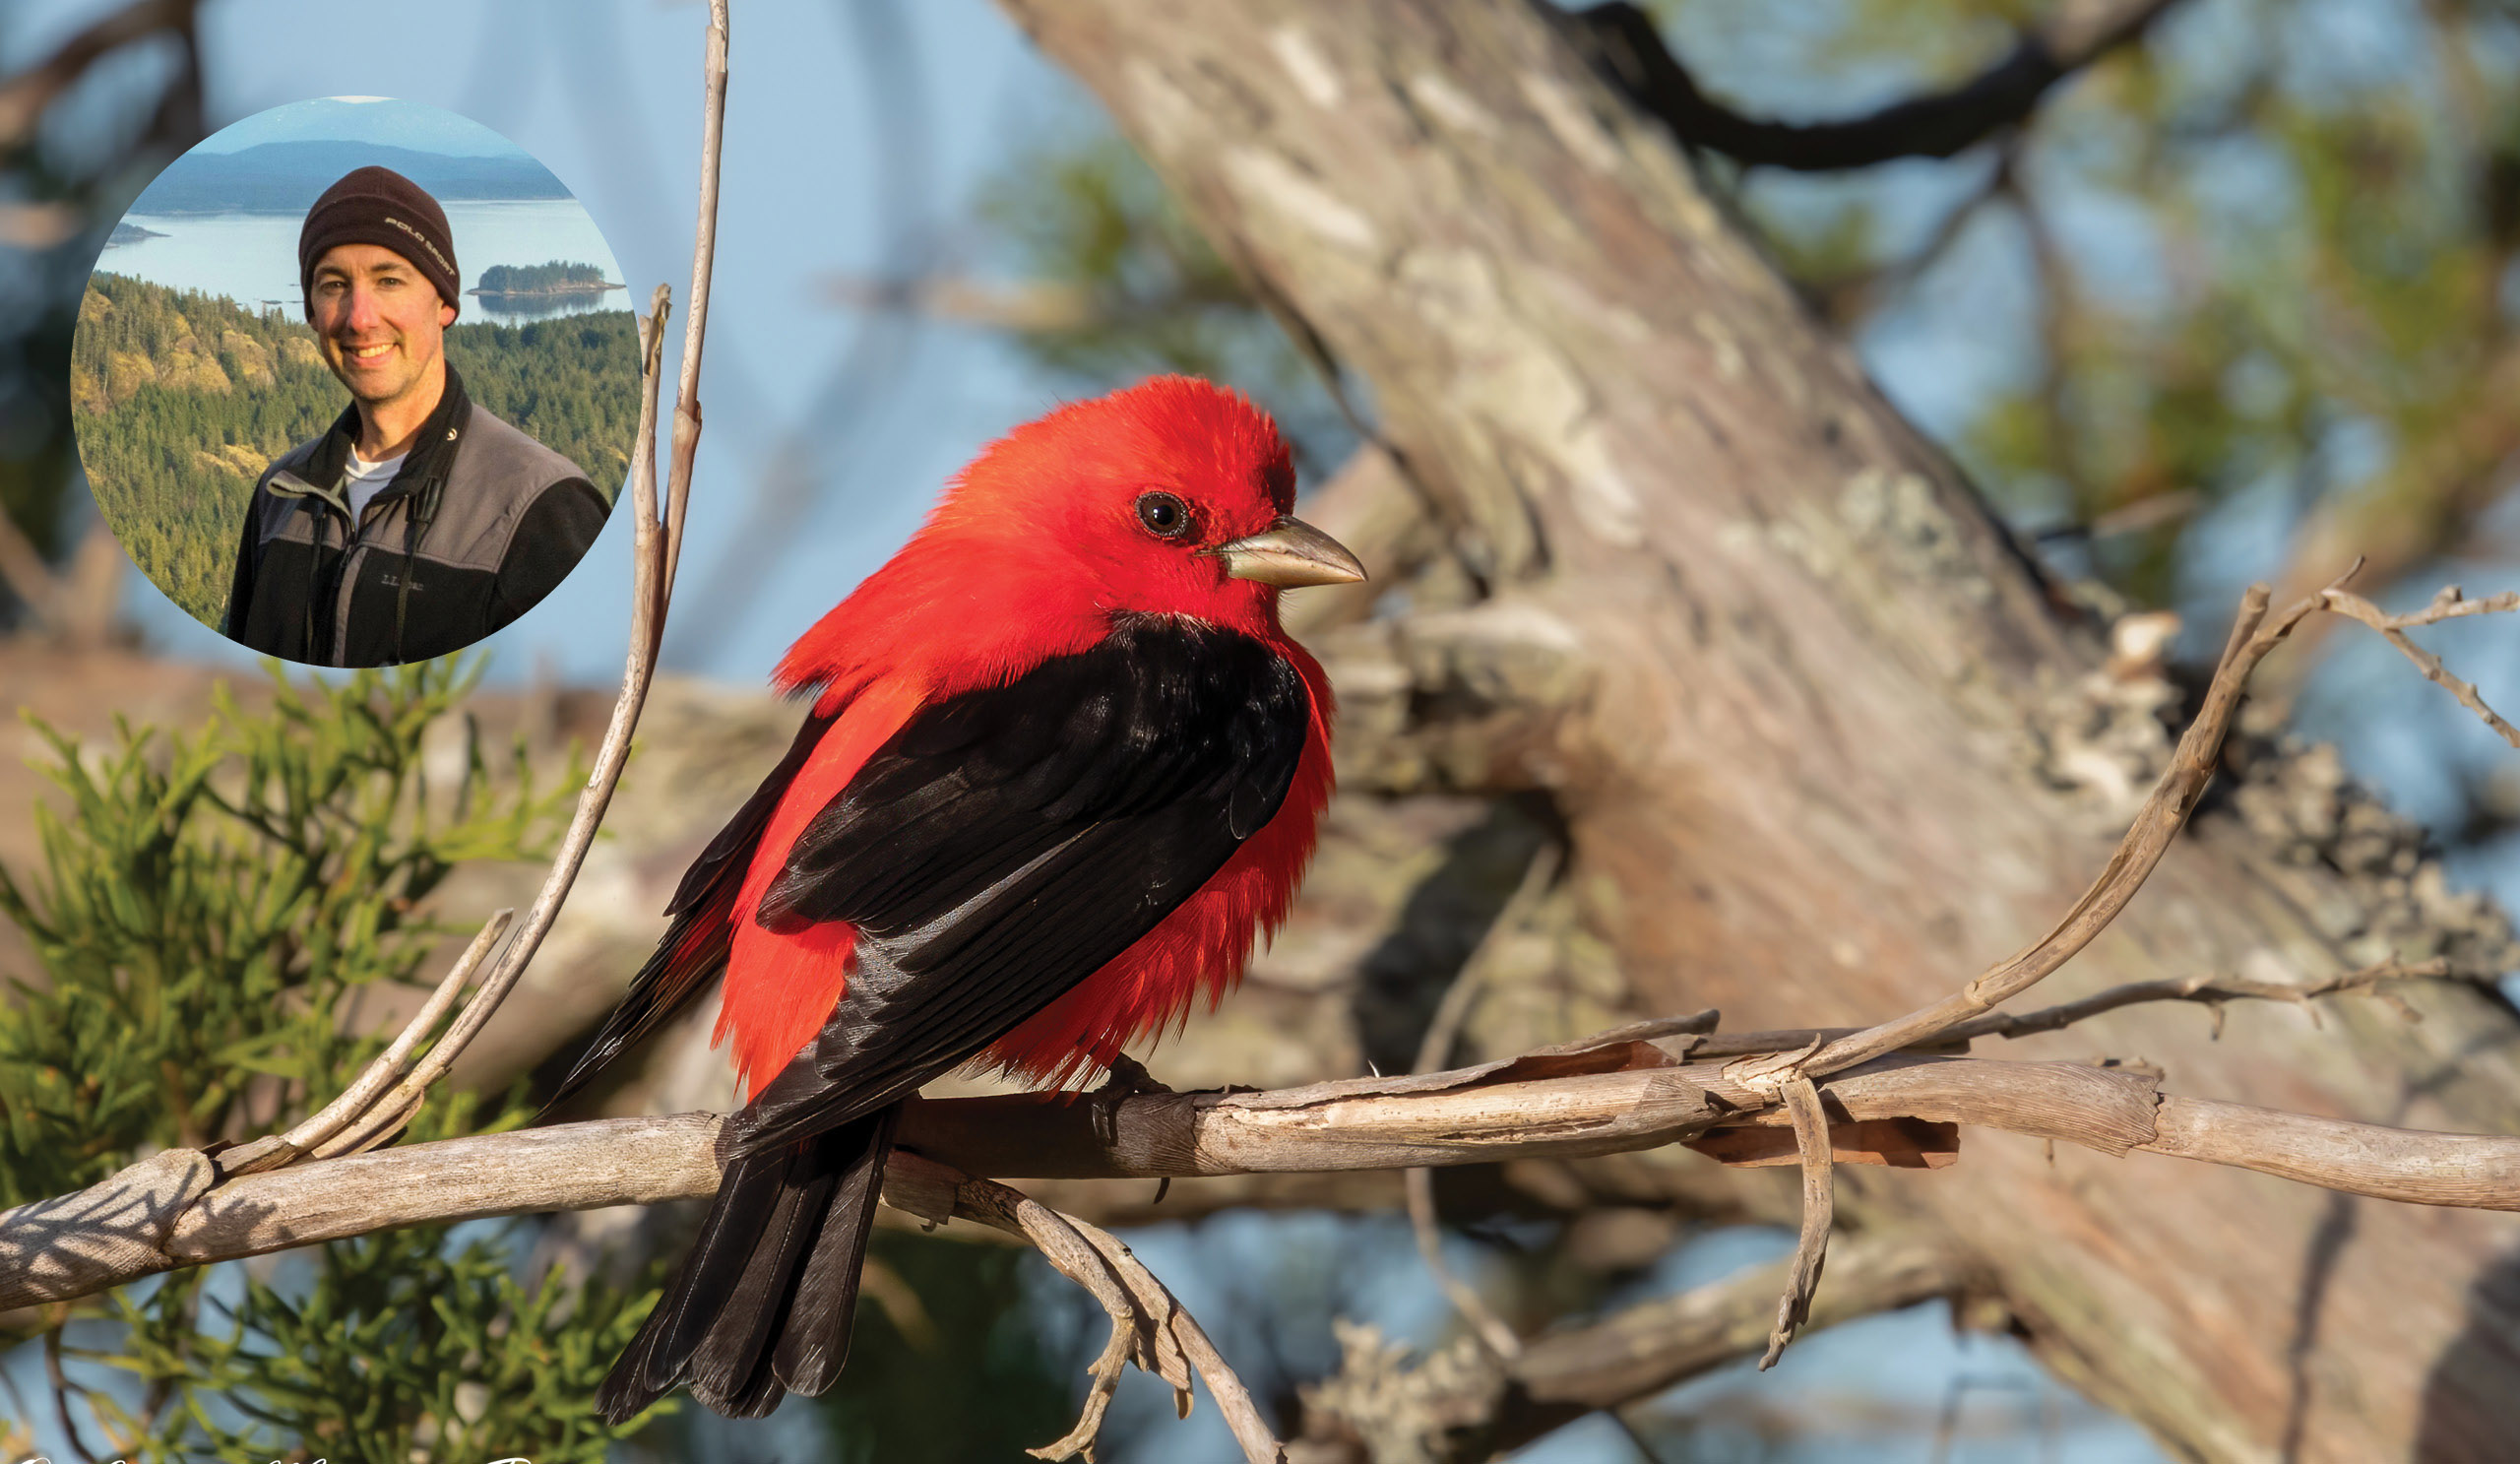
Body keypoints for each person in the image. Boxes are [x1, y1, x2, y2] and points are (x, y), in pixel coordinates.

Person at [222, 165, 608, 666]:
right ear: (312, 312)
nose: (360, 317)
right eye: (334, 284)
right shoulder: (281, 494)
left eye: (389, 280)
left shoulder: (542, 508)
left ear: (445, 302)